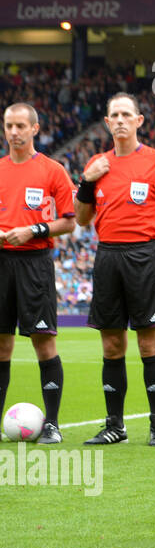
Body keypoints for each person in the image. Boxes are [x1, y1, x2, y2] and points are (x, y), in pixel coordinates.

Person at [76, 93, 155, 446]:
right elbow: (81, 220)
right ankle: (115, 426)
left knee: (147, 342)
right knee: (111, 345)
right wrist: (86, 180)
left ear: (139, 121)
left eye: (127, 114)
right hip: (107, 256)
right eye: (115, 115)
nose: (121, 120)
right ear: (107, 123)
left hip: (145, 255)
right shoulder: (96, 164)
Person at [0, 103, 75, 444]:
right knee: (2, 346)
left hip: (35, 262)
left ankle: (53, 424)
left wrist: (34, 230)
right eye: (8, 126)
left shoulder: (52, 170)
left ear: (35, 129)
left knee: (44, 343)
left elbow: (69, 222)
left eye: (19, 126)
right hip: (1, 261)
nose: (13, 132)